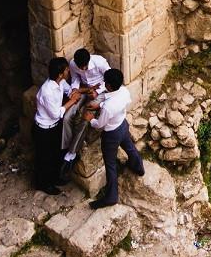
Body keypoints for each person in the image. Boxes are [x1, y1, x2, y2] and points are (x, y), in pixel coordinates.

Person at [85, 68, 144, 208]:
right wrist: (100, 104)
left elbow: (100, 124)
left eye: (105, 82)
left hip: (111, 134)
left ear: (109, 86)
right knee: (129, 147)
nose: (104, 84)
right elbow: (118, 102)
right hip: (123, 125)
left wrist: (90, 118)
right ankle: (139, 167)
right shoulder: (123, 91)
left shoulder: (108, 107)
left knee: (110, 164)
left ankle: (111, 196)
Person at [33, 57, 79, 195]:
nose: (68, 71)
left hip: (53, 127)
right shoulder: (47, 91)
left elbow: (68, 90)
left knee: (55, 154)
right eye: (66, 70)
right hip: (43, 129)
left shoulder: (60, 82)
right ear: (60, 74)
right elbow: (55, 114)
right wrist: (72, 101)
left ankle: (54, 178)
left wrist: (73, 92)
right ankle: (43, 184)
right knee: (44, 158)